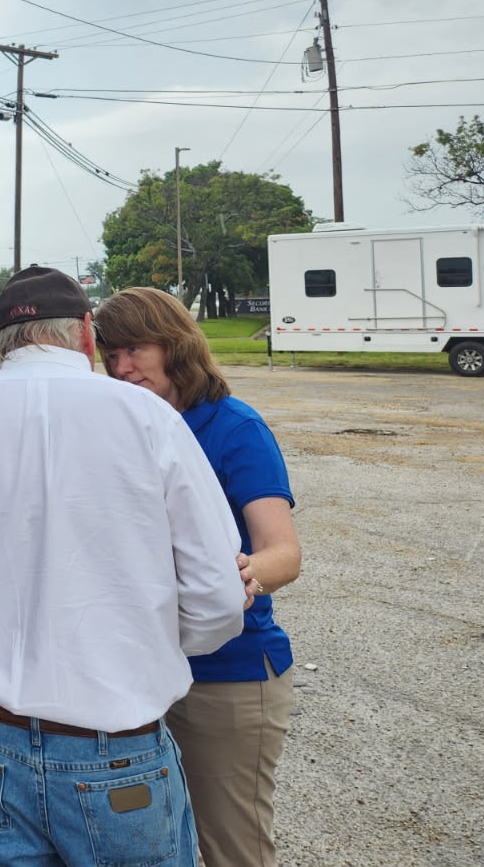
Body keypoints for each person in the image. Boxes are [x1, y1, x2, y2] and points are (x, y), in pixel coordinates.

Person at [0, 266, 250, 867]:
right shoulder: (148, 416)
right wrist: (151, 645)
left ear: (2, 342)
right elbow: (218, 596)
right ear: (86, 332)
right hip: (114, 744)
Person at [95, 287, 302, 867]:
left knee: (229, 847)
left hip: (226, 677)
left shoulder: (235, 427)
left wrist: (242, 574)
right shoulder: (124, 425)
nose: (122, 368)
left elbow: (284, 553)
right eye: (110, 355)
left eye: (135, 349)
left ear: (175, 344)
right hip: (143, 673)